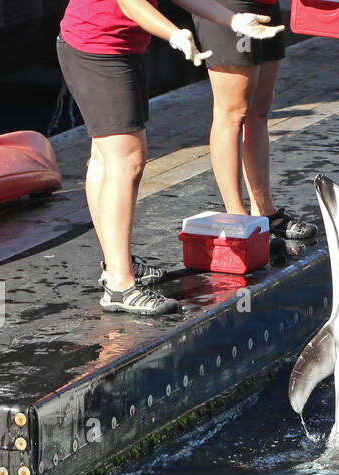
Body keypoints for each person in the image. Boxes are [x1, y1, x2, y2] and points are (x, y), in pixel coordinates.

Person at [57, 0, 284, 316]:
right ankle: (120, 286)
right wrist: (174, 34)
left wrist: (232, 21)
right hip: (96, 47)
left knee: (105, 157)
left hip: (118, 46)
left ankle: (115, 265)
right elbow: (131, 3)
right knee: (128, 160)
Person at [189, 1, 318, 243]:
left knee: (260, 109)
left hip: (265, 5)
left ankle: (264, 212)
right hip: (227, 6)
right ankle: (236, 217)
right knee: (233, 113)